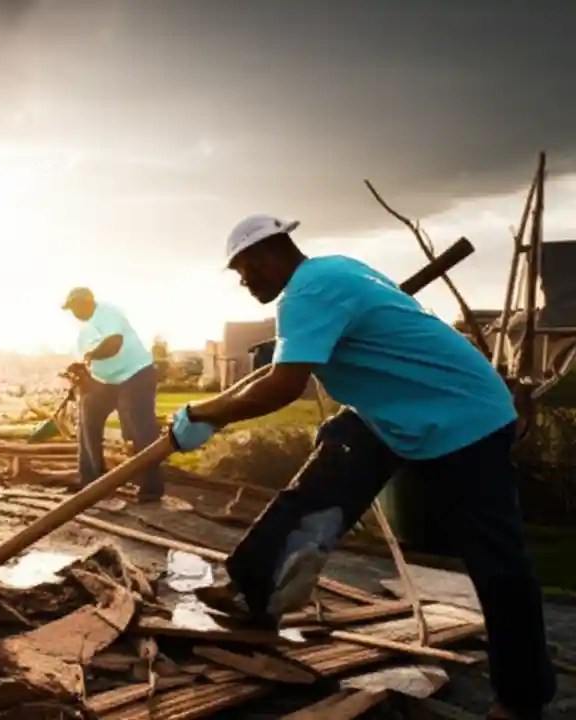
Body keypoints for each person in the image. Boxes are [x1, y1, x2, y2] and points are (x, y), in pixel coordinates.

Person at [171, 214, 555, 720]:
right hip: (392, 412)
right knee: (324, 477)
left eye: (244, 272)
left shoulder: (307, 292)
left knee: (496, 559)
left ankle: (522, 698)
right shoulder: (334, 271)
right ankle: (254, 588)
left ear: (263, 257)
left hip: (463, 416)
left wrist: (203, 413)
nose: (244, 283)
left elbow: (282, 387)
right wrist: (209, 411)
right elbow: (276, 372)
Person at [61, 287, 163, 502]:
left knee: (140, 429)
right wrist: (80, 371)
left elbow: (114, 344)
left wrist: (90, 356)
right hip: (107, 382)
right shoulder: (83, 334)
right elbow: (87, 363)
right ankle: (92, 483)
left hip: (136, 375)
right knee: (87, 420)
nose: (75, 312)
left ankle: (151, 488)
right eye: (71, 309)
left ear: (89, 302)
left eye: (77, 306)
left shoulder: (107, 313)